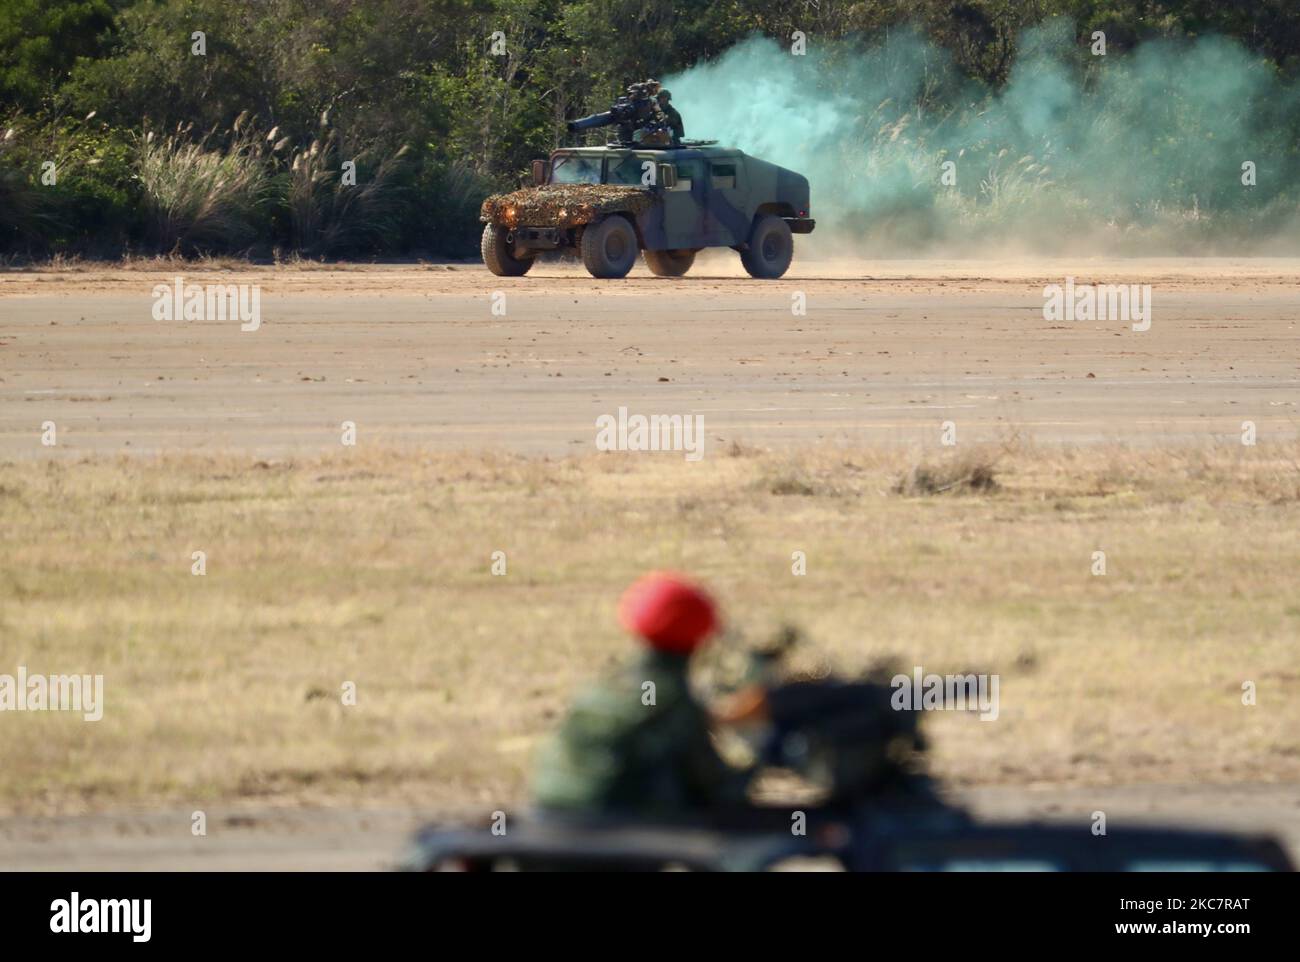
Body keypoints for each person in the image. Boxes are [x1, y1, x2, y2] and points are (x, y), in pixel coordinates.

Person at [531, 572, 766, 817]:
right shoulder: (667, 697)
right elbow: (714, 787)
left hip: (552, 809)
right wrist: (760, 758)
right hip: (622, 823)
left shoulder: (606, 685)